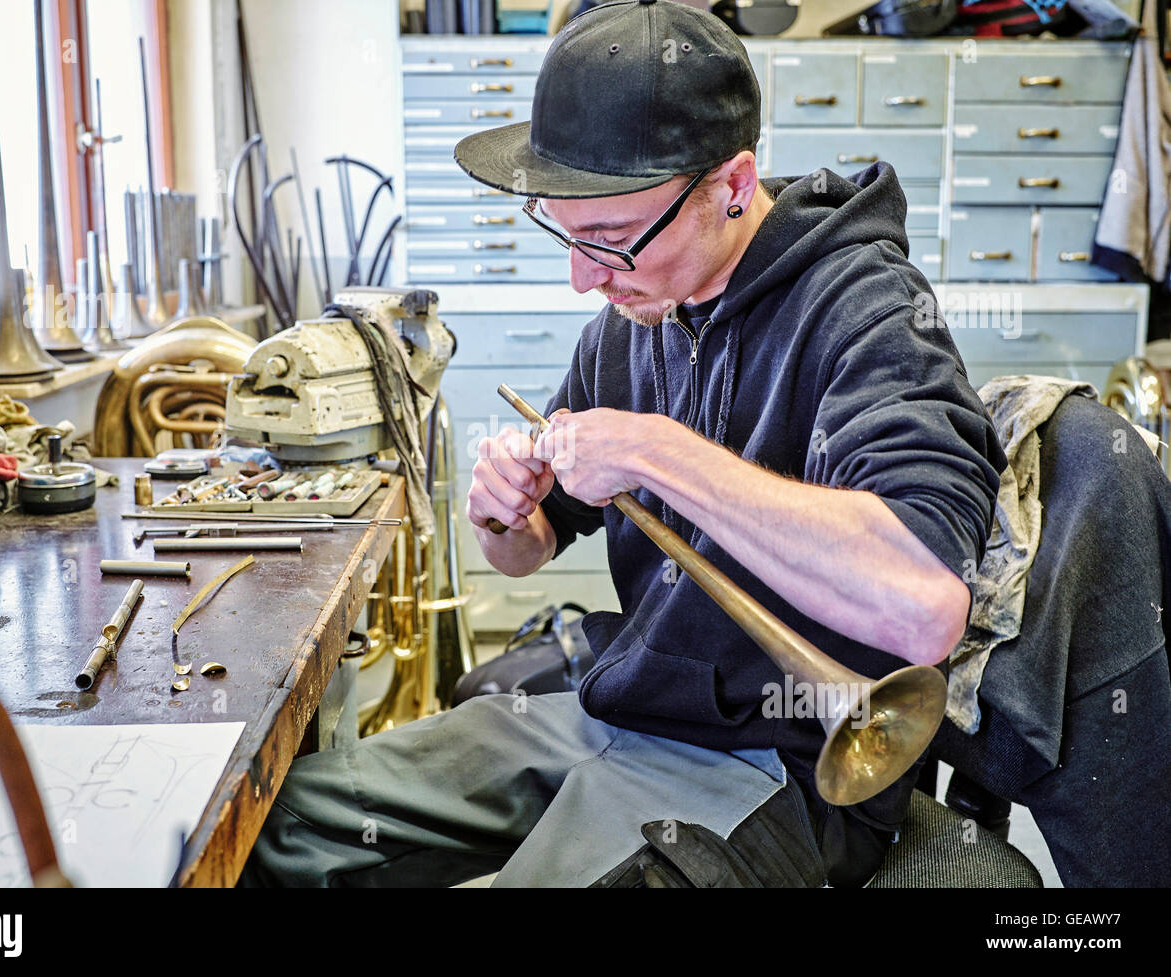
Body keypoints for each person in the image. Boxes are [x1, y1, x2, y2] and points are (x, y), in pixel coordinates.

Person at [240, 0, 1005, 888]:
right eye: (565, 233)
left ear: (730, 183)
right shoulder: (631, 313)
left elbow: (924, 605)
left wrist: (655, 451)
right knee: (285, 826)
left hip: (783, 761)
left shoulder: (865, 310)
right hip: (619, 705)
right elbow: (529, 549)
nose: (582, 278)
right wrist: (506, 515)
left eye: (609, 240)